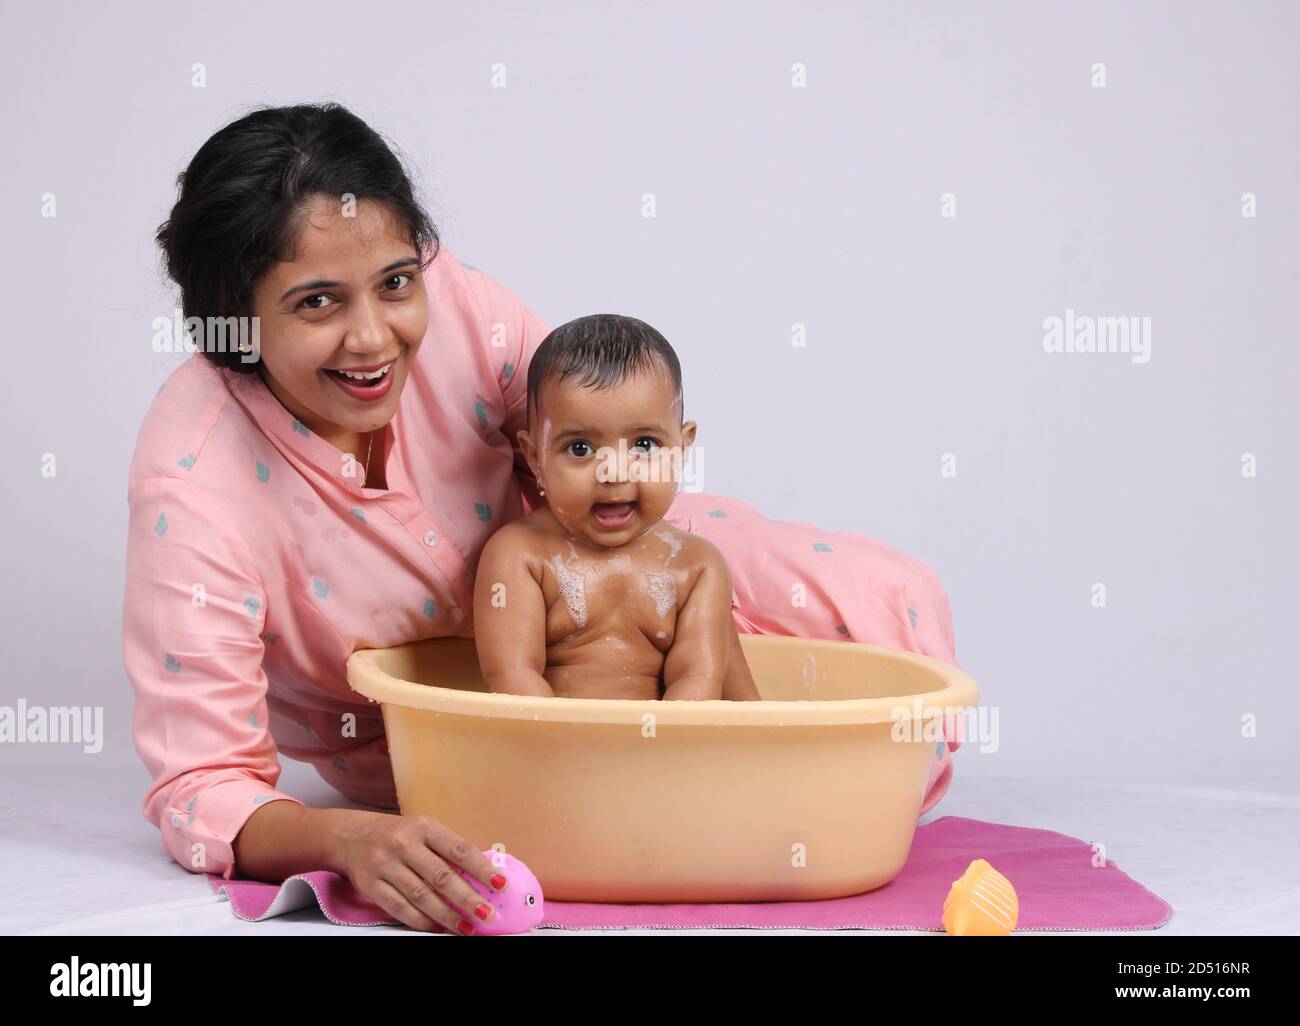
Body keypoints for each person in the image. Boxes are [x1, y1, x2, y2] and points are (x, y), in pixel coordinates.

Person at [124, 102, 961, 935]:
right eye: (316, 304)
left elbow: (591, 439)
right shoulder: (194, 484)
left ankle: (790, 790)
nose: (374, 337)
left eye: (395, 283)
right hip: (459, 745)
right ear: (233, 317)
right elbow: (200, 785)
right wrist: (348, 840)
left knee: (887, 596)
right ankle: (713, 799)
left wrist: (673, 592)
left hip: (604, 568)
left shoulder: (458, 306)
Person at [475, 313, 761, 701]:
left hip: (668, 752)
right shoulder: (521, 556)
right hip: (551, 752)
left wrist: (652, 758)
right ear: (535, 457)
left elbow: (698, 684)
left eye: (644, 444)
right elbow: (514, 679)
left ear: (682, 447)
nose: (614, 472)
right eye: (580, 448)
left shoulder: (696, 568)